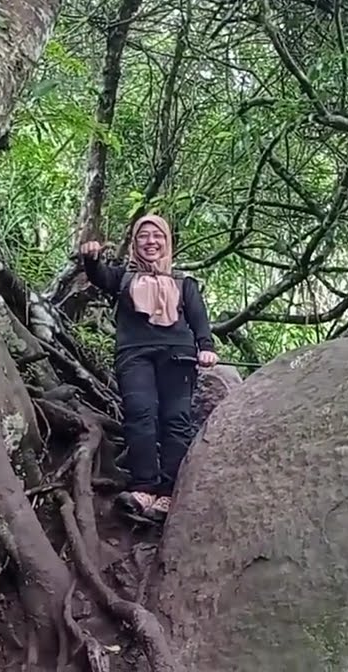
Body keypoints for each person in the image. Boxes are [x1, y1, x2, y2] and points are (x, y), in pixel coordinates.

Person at [79, 214, 217, 522]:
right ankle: (143, 487)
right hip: (134, 355)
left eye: (158, 236)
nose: (151, 241)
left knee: (176, 419)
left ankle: (168, 493)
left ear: (168, 243)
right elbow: (98, 275)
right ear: (134, 243)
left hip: (178, 356)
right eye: (144, 236)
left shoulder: (184, 282)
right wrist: (90, 258)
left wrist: (206, 348)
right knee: (140, 413)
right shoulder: (124, 277)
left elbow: (199, 320)